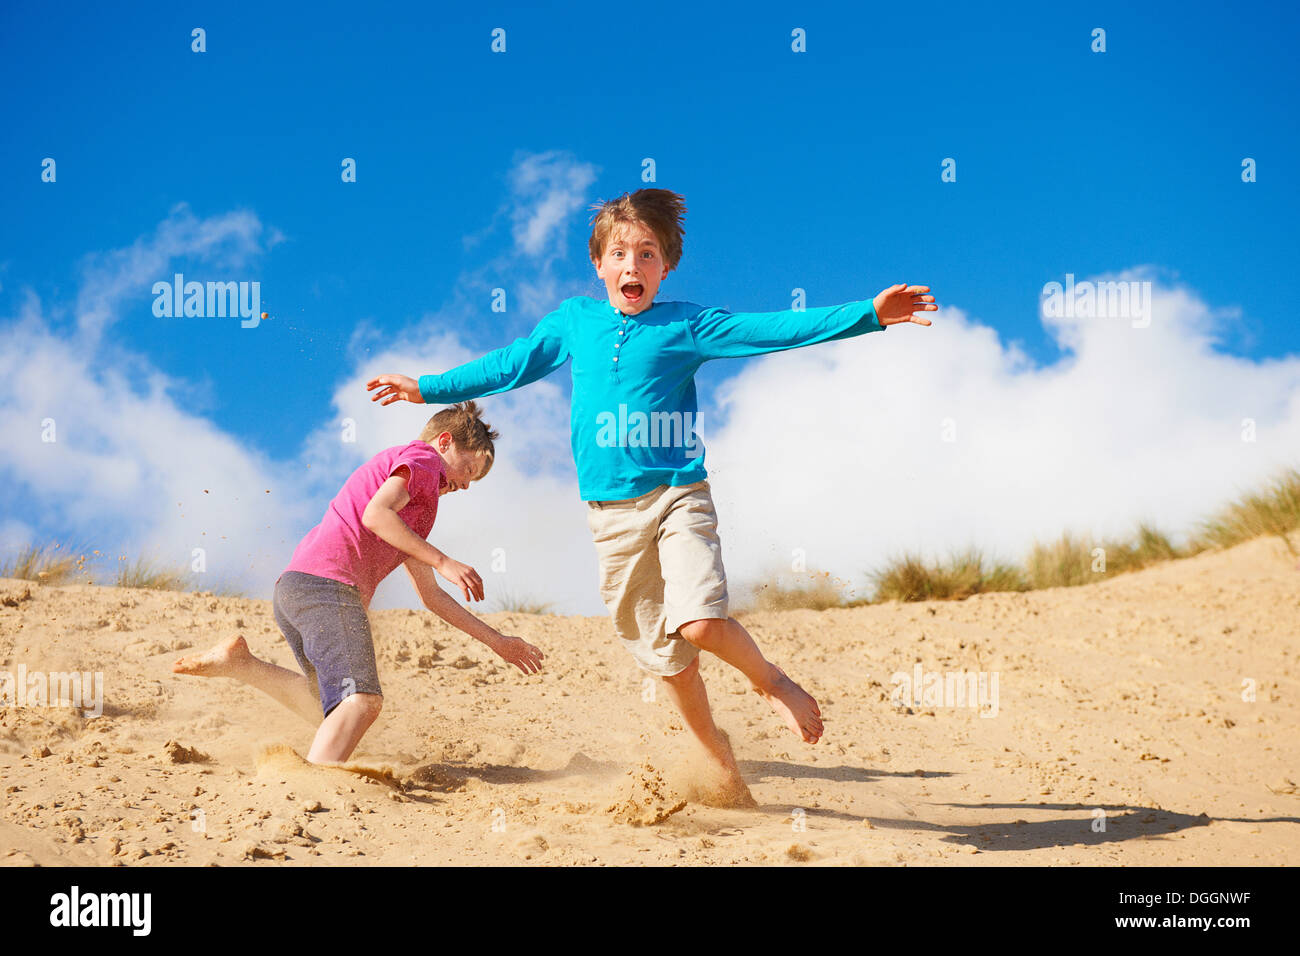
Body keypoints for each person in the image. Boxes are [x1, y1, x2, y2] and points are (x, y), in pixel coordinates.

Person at [366, 188, 934, 789]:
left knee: (698, 624)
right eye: (619, 253)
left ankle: (773, 681)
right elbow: (511, 364)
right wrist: (426, 387)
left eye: (647, 253)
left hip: (676, 496)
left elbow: (772, 330)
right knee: (667, 658)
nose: (632, 265)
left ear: (666, 266)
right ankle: (714, 754)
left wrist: (869, 313)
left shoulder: (686, 325)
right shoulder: (573, 323)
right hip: (610, 518)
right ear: (599, 264)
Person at [172, 400, 543, 763]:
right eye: (468, 469)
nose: (465, 484)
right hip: (327, 589)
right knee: (361, 702)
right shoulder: (423, 460)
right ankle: (311, 787)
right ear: (444, 442)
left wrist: (498, 642)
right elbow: (375, 515)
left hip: (298, 590)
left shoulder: (416, 506)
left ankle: (241, 664)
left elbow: (430, 596)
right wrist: (444, 560)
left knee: (329, 708)